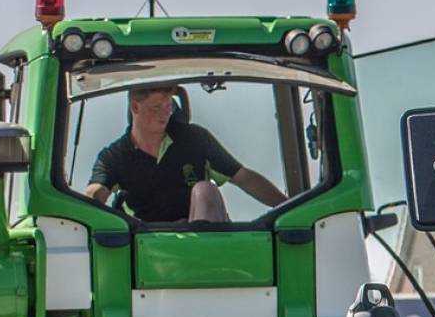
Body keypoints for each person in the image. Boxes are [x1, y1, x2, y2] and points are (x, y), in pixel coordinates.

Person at [84, 84, 287, 223]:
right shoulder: (114, 156)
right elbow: (95, 194)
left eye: (168, 106)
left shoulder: (195, 140)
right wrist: (88, 202)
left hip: (202, 242)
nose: (165, 113)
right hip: (146, 247)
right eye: (156, 107)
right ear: (135, 107)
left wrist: (290, 207)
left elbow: (243, 177)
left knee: (205, 190)